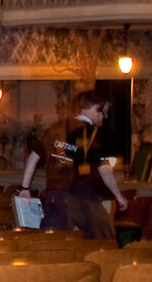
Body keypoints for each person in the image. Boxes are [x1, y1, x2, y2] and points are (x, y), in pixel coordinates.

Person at [16, 89, 129, 240]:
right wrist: (119, 196)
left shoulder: (56, 129)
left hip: (55, 196)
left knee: (50, 244)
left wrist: (24, 188)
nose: (104, 117)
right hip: (84, 198)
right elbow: (105, 170)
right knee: (104, 242)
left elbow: (32, 158)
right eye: (104, 112)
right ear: (97, 108)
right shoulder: (96, 135)